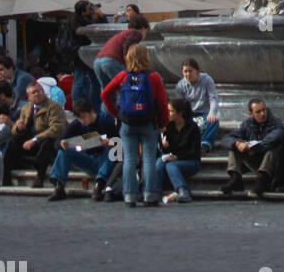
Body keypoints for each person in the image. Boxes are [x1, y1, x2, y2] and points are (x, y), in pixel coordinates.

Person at [100, 42, 169, 208]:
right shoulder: (153, 77)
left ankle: (130, 196)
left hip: (127, 123)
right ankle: (150, 195)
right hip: (148, 123)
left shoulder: (122, 76)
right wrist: (164, 123)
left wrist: (115, 112)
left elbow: (104, 94)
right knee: (149, 159)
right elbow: (162, 103)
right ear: (146, 57)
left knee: (129, 159)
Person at [47, 101, 118, 202]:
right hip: (88, 159)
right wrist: (62, 143)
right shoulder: (77, 124)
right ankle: (59, 186)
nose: (82, 120)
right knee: (63, 151)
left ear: (91, 112)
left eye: (84, 117)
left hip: (105, 159)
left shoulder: (105, 120)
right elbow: (57, 143)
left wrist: (110, 142)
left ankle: (99, 185)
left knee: (112, 150)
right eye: (79, 118)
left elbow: (119, 141)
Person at [2, 81, 68, 188]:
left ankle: (40, 177)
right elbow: (15, 129)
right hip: (30, 139)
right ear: (29, 96)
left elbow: (57, 128)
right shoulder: (26, 108)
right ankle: (6, 176)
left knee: (47, 143)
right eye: (34, 93)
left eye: (39, 91)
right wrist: (18, 128)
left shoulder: (53, 107)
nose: (37, 94)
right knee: (13, 141)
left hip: (46, 139)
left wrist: (35, 139)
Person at [221, 98, 284, 198]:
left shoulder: (276, 123)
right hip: (254, 160)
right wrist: (237, 144)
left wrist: (253, 148)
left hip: (271, 166)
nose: (263, 114)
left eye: (264, 110)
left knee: (273, 149)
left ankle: (262, 181)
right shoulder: (246, 124)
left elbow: (273, 138)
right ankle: (235, 178)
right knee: (235, 145)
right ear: (251, 114)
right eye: (258, 112)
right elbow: (226, 139)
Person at [155, 97, 201, 203]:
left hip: (190, 161)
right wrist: (164, 145)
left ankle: (183, 191)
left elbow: (194, 152)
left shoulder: (192, 128)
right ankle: (155, 191)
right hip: (172, 157)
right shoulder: (168, 126)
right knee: (160, 162)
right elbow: (165, 148)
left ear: (180, 113)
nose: (168, 114)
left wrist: (177, 157)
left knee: (171, 165)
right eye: (167, 111)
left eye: (171, 111)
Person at [93, 18, 149, 92]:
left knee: (107, 92)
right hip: (112, 61)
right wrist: (130, 63)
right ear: (143, 28)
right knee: (125, 90)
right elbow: (127, 46)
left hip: (98, 62)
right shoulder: (136, 33)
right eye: (146, 31)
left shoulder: (123, 33)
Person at [175, 59, 219, 151]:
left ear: (197, 71)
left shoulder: (207, 80)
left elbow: (213, 98)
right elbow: (180, 104)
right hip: (190, 113)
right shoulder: (180, 85)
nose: (188, 74)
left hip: (205, 113)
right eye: (185, 71)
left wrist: (212, 113)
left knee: (213, 121)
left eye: (190, 71)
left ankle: (205, 144)